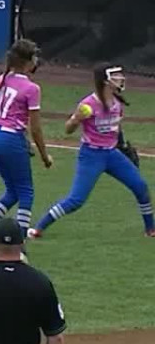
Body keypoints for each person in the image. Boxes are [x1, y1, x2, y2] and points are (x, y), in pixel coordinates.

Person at [28, 63, 155, 239]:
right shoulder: (88, 105)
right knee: (76, 200)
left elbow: (115, 129)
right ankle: (39, 228)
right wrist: (76, 119)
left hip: (111, 154)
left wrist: (123, 146)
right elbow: (68, 129)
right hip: (91, 155)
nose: (120, 78)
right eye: (115, 75)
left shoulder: (117, 103)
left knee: (140, 186)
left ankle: (151, 229)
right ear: (105, 81)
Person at [0, 39, 52, 256]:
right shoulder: (32, 88)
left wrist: (1, 129)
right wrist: (45, 156)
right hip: (11, 139)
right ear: (28, 62)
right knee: (26, 193)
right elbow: (35, 129)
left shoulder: (2, 79)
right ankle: (19, 248)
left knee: (12, 192)